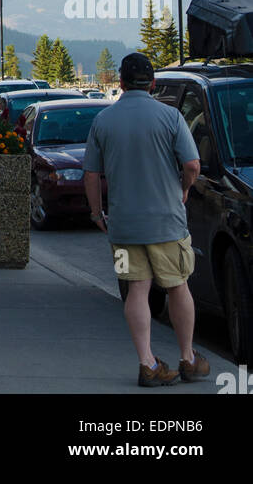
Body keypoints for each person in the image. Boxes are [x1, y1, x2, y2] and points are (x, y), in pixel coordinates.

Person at [83, 52, 210, 388]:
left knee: (136, 289)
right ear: (153, 83)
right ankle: (188, 358)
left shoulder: (104, 121)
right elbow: (193, 165)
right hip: (166, 223)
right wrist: (183, 190)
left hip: (123, 228)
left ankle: (148, 363)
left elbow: (91, 174)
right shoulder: (170, 117)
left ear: (120, 83)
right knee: (177, 285)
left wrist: (97, 213)